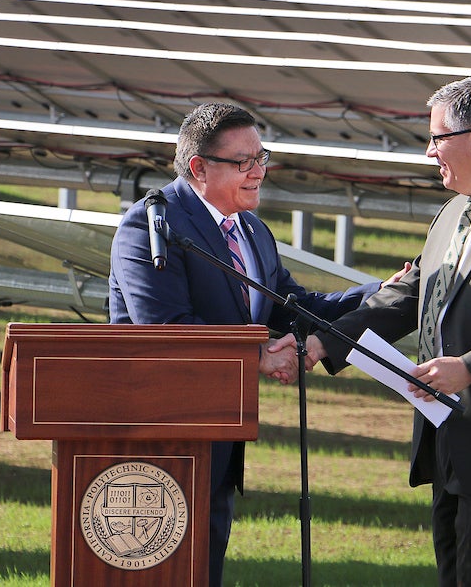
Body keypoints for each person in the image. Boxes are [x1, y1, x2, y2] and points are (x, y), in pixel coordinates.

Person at [272, 76, 471, 586]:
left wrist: (470, 368)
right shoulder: (452, 213)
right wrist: (319, 341)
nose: (428, 152)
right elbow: (406, 298)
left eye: (437, 138)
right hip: (450, 439)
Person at [108, 102, 391, 587]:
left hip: (221, 434)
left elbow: (291, 307)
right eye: (244, 162)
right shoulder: (151, 225)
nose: (259, 172)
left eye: (262, 158)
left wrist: (382, 294)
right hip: (158, 440)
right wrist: (257, 356)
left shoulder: (252, 230)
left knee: (205, 569)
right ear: (198, 167)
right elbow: (167, 328)